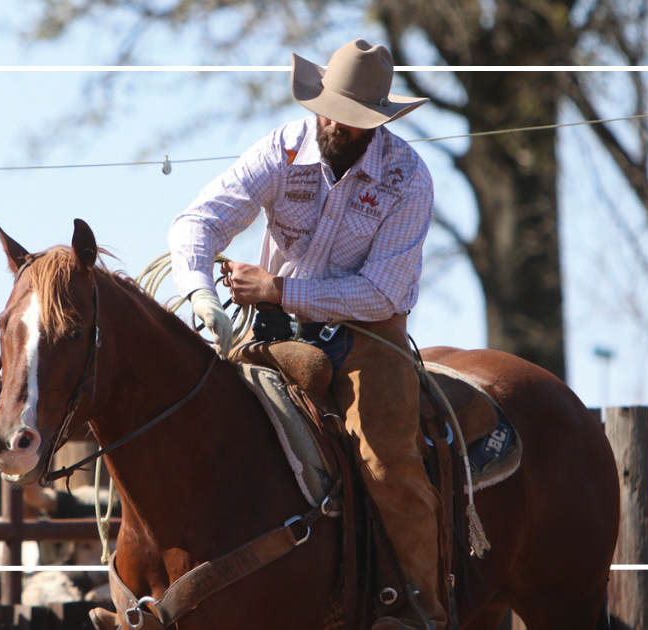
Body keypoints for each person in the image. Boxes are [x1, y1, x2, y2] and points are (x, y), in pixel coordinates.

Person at [168, 39, 446, 630]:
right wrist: (199, 290)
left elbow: (383, 293)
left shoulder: (407, 178)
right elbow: (201, 219)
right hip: (272, 327)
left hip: (370, 336)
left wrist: (277, 290)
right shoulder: (283, 149)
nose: (330, 121)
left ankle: (421, 609)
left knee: (385, 460)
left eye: (346, 115)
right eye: (325, 107)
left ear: (375, 122)